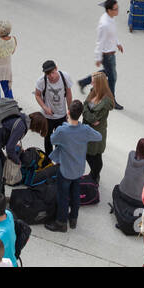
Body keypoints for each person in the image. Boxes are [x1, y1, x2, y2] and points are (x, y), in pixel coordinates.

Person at [45, 99, 102, 233]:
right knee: (75, 194)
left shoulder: (62, 130)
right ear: (81, 114)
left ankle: (61, 222)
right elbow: (98, 136)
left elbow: (52, 139)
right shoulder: (86, 130)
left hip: (65, 170)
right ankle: (73, 219)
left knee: (63, 196)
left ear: (68, 112)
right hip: (79, 170)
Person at [81, 72, 116, 185]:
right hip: (88, 129)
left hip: (96, 133)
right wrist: (88, 115)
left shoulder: (106, 101)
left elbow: (94, 117)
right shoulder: (93, 91)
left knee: (95, 155)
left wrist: (87, 114)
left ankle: (95, 176)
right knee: (88, 154)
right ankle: (94, 174)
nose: (91, 83)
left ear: (99, 83)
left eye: (93, 81)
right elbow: (84, 106)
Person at [35, 60, 73, 154]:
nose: (51, 76)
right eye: (48, 74)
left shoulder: (65, 77)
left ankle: (58, 160)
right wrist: (45, 108)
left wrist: (70, 111)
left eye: (52, 72)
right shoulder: (41, 81)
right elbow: (37, 95)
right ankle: (49, 160)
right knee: (48, 139)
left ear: (56, 68)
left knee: (60, 140)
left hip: (62, 115)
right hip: (48, 117)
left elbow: (68, 94)